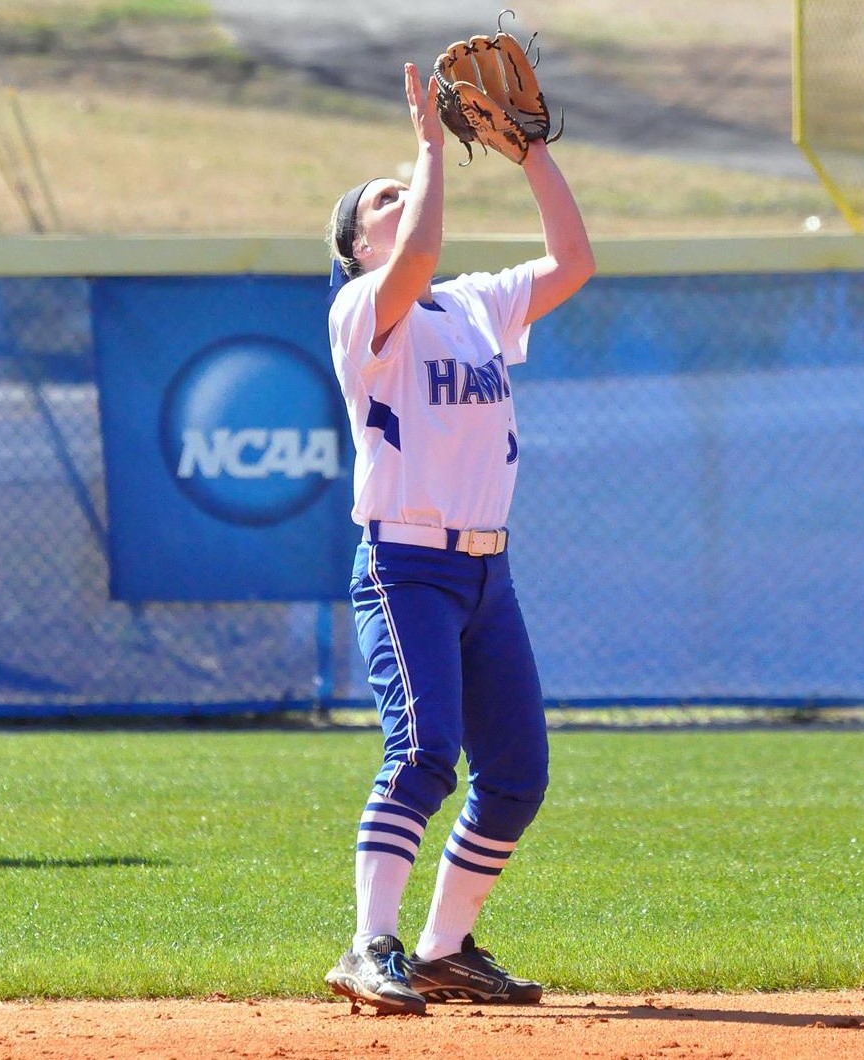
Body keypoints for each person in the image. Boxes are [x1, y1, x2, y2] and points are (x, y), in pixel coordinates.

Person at [322, 62, 595, 1014]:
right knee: (424, 750)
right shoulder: (363, 310)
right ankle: (370, 943)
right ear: (358, 248)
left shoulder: (475, 303)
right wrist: (429, 148)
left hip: (488, 572)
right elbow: (421, 252)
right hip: (405, 565)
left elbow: (573, 262)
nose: (398, 199)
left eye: (401, 188)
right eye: (380, 201)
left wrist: (532, 154)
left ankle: (443, 949)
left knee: (516, 775)